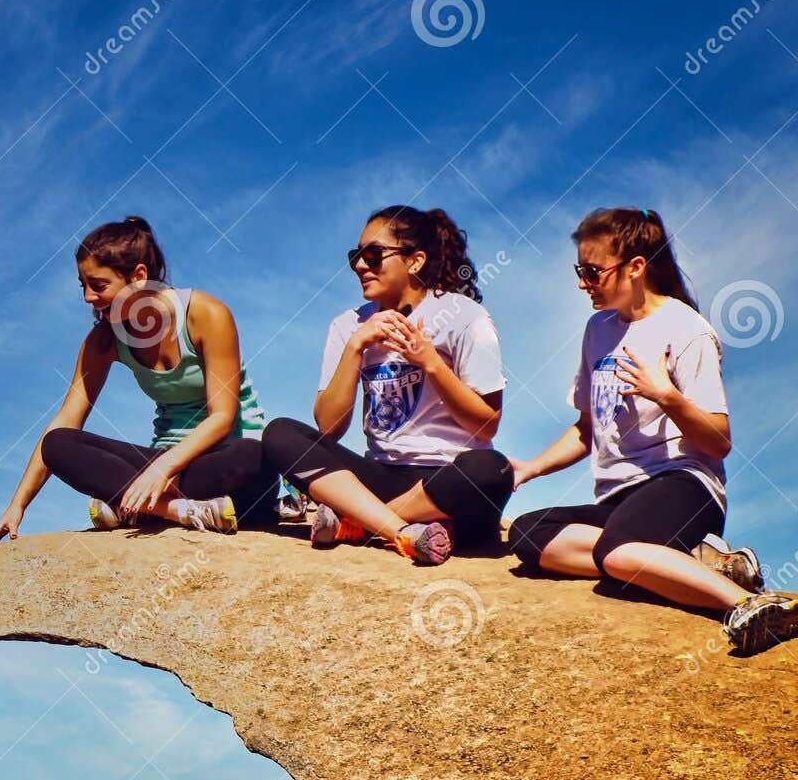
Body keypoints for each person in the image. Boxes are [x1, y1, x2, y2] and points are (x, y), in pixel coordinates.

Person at [508, 207, 798, 653]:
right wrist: (526, 470)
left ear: (637, 267)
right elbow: (586, 430)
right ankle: (689, 564)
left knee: (618, 553)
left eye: (592, 271)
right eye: (578, 270)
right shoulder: (597, 329)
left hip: (683, 485)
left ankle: (749, 606)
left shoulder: (686, 329)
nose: (582, 282)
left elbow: (718, 442)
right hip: (620, 497)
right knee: (529, 534)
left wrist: (668, 397)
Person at [0, 215, 272, 544]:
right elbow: (65, 420)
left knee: (253, 458)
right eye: (83, 285)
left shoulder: (205, 314)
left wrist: (161, 472)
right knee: (58, 443)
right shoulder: (103, 341)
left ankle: (132, 506)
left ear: (138, 277)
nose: (88, 297)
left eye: (99, 285)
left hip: (226, 456)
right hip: (165, 461)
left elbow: (222, 417)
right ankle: (175, 510)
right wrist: (17, 506)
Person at [259, 205, 514, 565]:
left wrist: (430, 362)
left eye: (373, 255)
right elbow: (329, 427)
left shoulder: (464, 316)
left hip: (447, 481)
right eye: (356, 257)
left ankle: (361, 522)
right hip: (380, 473)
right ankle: (402, 531)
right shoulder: (348, 326)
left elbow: (487, 423)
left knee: (493, 470)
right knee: (280, 434)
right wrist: (355, 347)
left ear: (415, 261)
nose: (361, 266)